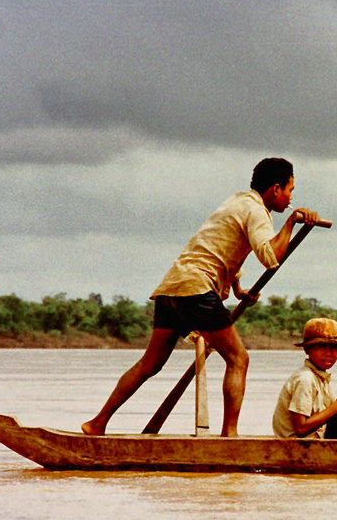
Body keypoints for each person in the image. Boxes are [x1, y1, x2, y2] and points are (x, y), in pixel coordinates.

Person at [82, 157, 318, 437]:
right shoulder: (256, 210)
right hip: (196, 288)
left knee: (151, 363)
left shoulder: (237, 202)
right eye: (290, 190)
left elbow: (222, 247)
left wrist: (239, 289)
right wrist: (291, 222)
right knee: (238, 358)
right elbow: (270, 257)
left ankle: (97, 423)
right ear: (276, 189)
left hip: (173, 286)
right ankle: (229, 435)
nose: (291, 197)